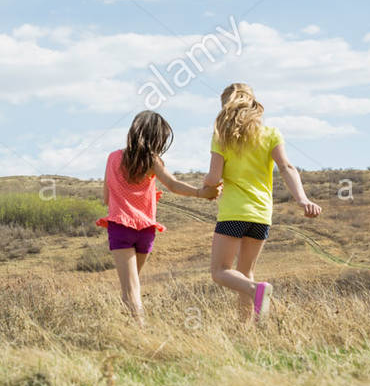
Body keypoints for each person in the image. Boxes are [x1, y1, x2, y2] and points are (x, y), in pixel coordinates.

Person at [201, 83, 322, 321]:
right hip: (261, 216)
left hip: (234, 213)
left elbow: (214, 178)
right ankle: (247, 327)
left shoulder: (222, 138)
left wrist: (206, 182)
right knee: (246, 272)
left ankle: (257, 291)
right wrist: (302, 199)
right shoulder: (271, 134)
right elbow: (286, 167)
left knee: (220, 271)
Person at [96, 110, 220, 325]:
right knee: (133, 286)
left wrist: (120, 192)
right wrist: (200, 193)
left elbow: (106, 199)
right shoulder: (153, 162)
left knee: (130, 289)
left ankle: (140, 332)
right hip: (146, 231)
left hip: (121, 228)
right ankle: (129, 325)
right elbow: (173, 185)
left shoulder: (113, 158)